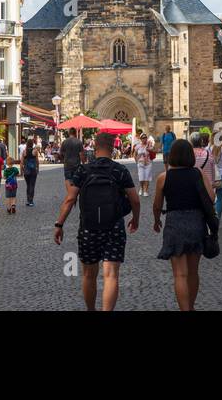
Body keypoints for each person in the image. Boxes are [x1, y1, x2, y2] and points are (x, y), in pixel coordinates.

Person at [54, 131, 140, 311]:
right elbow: (135, 199)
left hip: (88, 227)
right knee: (111, 275)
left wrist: (59, 225)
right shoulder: (120, 170)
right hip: (114, 226)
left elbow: (70, 199)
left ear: (94, 147)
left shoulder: (83, 170)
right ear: (112, 147)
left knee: (88, 275)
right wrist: (136, 219)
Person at [153, 138, 219, 311]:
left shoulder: (163, 177)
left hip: (174, 224)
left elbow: (157, 205)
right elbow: (211, 198)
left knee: (180, 274)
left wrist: (156, 220)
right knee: (193, 272)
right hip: (196, 222)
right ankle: (191, 306)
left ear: (172, 156)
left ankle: (185, 310)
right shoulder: (198, 173)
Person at [192, 132, 217, 202]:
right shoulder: (208, 154)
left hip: (194, 185)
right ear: (201, 142)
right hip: (208, 185)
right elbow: (213, 170)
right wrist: (213, 182)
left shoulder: (189, 154)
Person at [134, 132, 155, 196]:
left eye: (145, 138)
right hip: (140, 164)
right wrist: (136, 161)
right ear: (141, 139)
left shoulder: (149, 145)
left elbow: (154, 151)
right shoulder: (138, 146)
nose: (144, 139)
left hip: (148, 163)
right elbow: (135, 154)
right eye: (143, 138)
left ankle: (145, 191)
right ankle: (141, 188)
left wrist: (150, 149)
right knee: (141, 178)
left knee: (147, 178)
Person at [22, 141, 40, 206]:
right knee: (32, 185)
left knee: (28, 185)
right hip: (33, 170)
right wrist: (38, 168)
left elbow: (22, 162)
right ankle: (31, 201)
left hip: (26, 170)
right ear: (32, 144)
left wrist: (22, 171)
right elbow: (37, 161)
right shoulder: (35, 151)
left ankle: (28, 200)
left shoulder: (24, 151)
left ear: (27, 144)